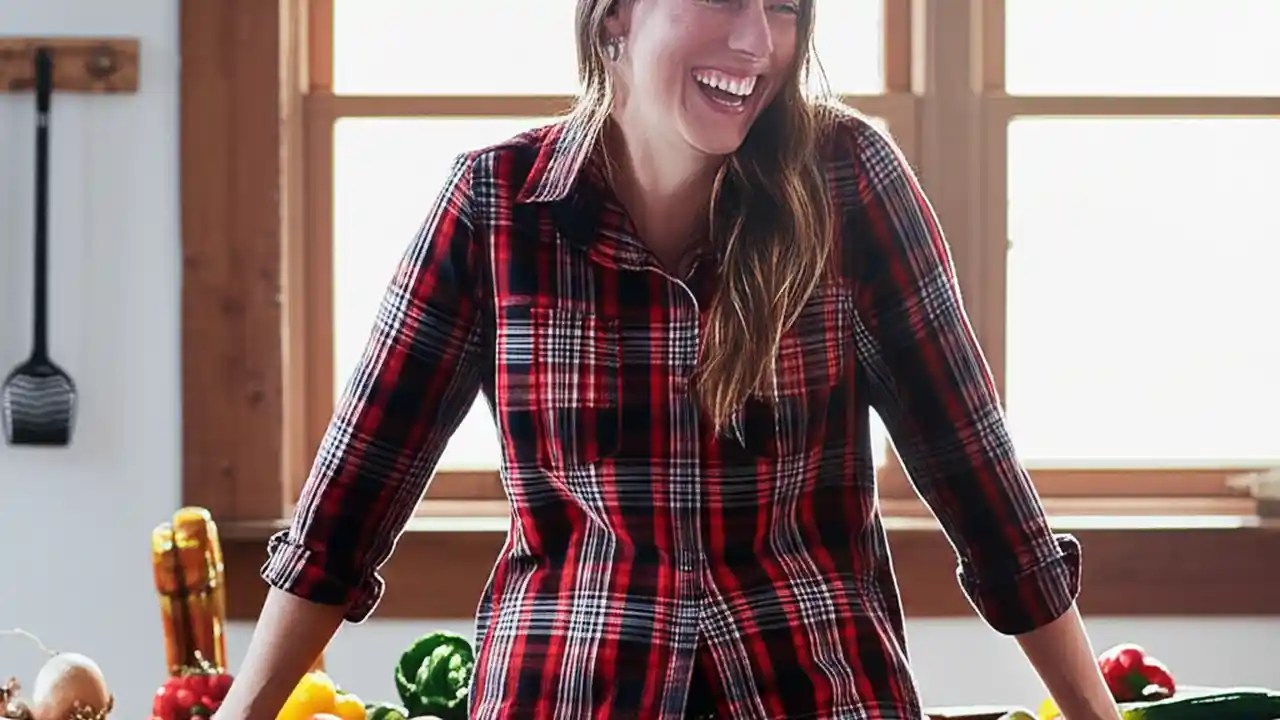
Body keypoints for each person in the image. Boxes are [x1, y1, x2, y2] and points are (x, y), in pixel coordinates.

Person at [215, 1, 1124, 718]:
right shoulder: (495, 204)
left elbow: (981, 480)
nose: (756, 39)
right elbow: (352, 497)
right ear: (614, 15)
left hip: (814, 687)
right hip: (565, 690)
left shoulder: (850, 180)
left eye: (782, 5)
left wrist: (1093, 716)